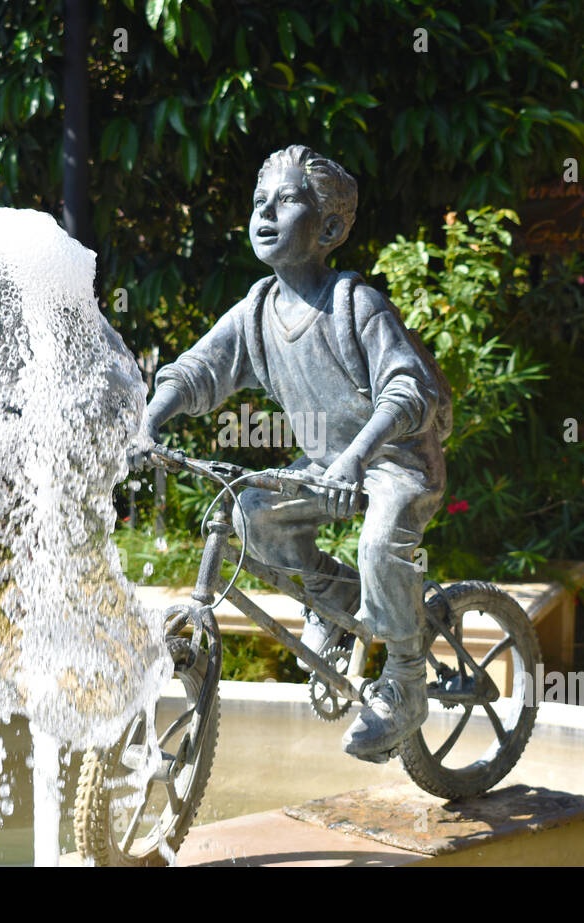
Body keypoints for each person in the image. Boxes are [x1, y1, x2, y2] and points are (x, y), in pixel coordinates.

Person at [131, 145, 452, 761]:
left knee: (381, 542)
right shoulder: (256, 311)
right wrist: (148, 422)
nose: (265, 214)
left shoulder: (355, 305)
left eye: (287, 202)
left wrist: (356, 458)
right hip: (324, 468)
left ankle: (408, 680)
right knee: (253, 516)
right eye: (258, 203)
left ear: (329, 227)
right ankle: (335, 603)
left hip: (396, 463)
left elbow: (409, 390)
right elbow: (199, 369)